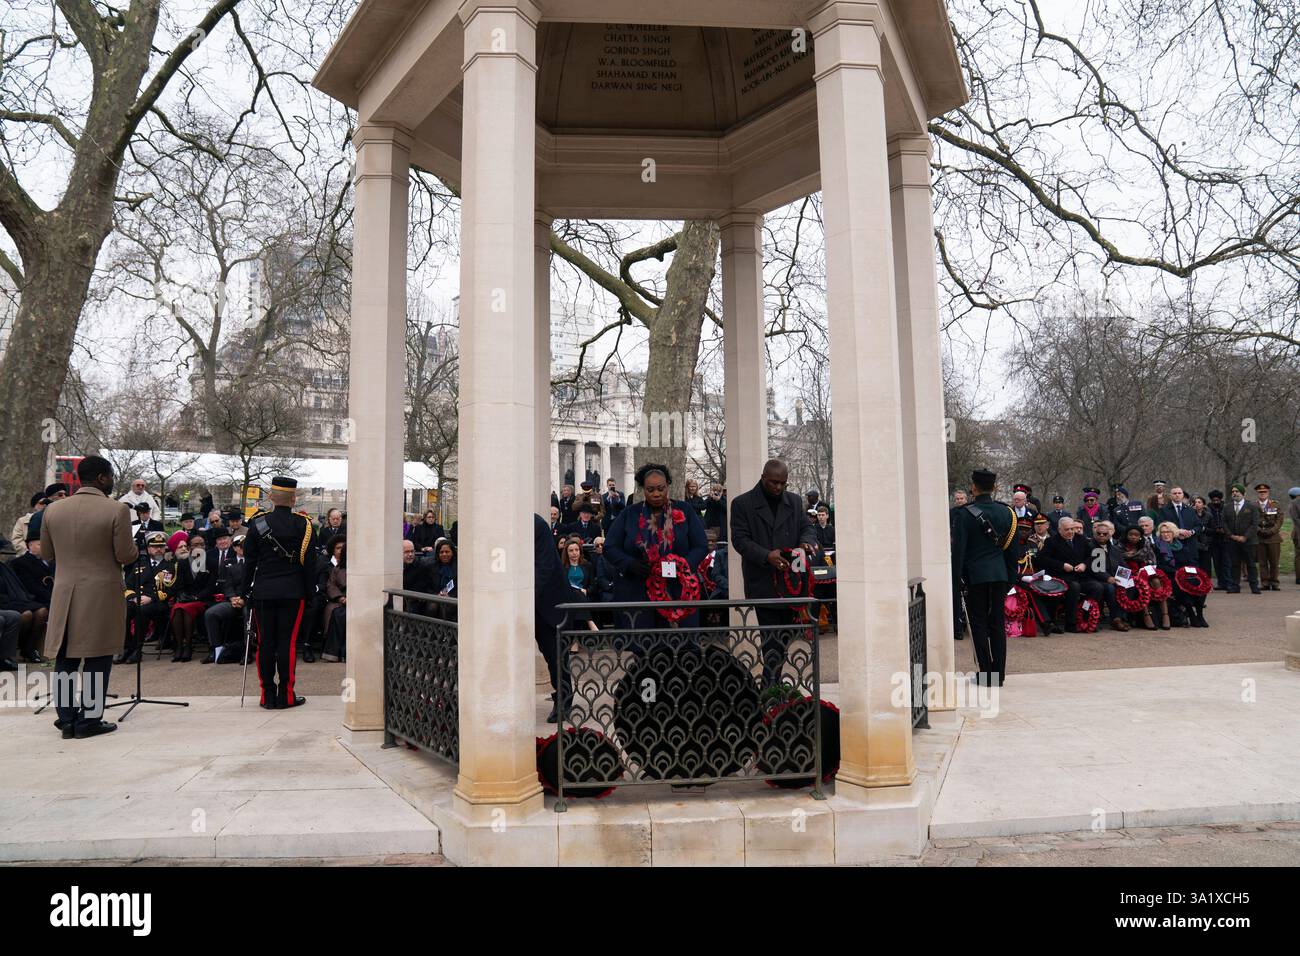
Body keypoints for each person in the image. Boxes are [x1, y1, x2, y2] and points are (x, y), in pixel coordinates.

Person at [40, 455, 139, 739]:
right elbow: (124, 554)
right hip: (101, 591)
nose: (111, 480)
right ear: (101, 478)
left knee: (65, 657)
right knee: (98, 655)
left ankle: (67, 719)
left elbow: (47, 554)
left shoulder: (54, 510)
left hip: (64, 589)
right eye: (110, 475)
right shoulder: (116, 509)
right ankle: (89, 720)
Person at [729, 459, 818, 687]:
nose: (778, 488)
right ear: (763, 477)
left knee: (784, 641)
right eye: (774, 483)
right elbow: (740, 540)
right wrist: (766, 555)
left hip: (791, 584)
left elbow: (806, 527)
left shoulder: (794, 501)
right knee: (772, 643)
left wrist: (806, 542)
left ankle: (772, 689)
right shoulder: (742, 503)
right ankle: (769, 690)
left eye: (783, 484)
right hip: (763, 584)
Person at [604, 462, 709, 636]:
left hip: (679, 589)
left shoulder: (685, 510)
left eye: (660, 488)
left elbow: (701, 546)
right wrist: (630, 564)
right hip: (639, 591)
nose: (656, 494)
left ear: (667, 485)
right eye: (650, 489)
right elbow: (610, 547)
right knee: (645, 648)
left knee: (682, 650)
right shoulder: (629, 514)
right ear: (643, 490)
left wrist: (683, 565)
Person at [242, 476, 317, 708]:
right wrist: (309, 594)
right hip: (293, 593)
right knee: (287, 644)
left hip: (263, 592)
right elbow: (309, 564)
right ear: (293, 499)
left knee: (266, 644)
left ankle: (267, 696)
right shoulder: (304, 525)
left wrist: (246, 592)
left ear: (272, 497)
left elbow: (249, 563)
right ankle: (286, 695)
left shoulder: (257, 523)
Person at [950, 469, 1015, 685]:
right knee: (997, 623)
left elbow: (959, 551)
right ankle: (999, 674)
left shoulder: (963, 513)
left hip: (974, 576)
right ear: (995, 488)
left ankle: (987, 673)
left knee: (978, 624)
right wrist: (1010, 579)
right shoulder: (1007, 512)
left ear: (973, 488)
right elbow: (1012, 551)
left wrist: (956, 579)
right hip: (999, 574)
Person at [535, 513, 573, 723]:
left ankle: (564, 702)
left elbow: (544, 567)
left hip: (548, 602)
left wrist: (523, 597)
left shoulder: (537, 525)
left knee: (555, 655)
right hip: (524, 600)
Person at [1039, 517, 1106, 634]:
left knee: (1097, 587)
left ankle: (1085, 616)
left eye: (1072, 529)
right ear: (1059, 530)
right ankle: (1071, 623)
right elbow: (1042, 559)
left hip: (1081, 575)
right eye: (1067, 530)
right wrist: (1062, 565)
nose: (1070, 532)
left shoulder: (1082, 539)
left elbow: (1093, 556)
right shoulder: (1052, 541)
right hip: (1061, 576)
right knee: (1074, 588)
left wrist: (1084, 564)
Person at [118, 532, 174, 663]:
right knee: (123, 609)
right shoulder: (139, 565)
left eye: (161, 546)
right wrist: (133, 597)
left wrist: (151, 598)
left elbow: (169, 589)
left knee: (142, 611)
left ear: (165, 548)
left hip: (158, 602)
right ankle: (127, 647)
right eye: (155, 546)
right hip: (137, 600)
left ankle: (138, 650)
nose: (158, 549)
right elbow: (128, 584)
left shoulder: (170, 567)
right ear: (148, 549)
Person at [167, 533, 217, 662]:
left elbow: (211, 587)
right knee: (177, 608)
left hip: (203, 599)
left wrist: (196, 597)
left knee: (186, 609)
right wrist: (183, 595)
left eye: (201, 544)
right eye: (195, 545)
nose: (199, 547)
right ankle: (179, 646)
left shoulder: (211, 563)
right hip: (186, 598)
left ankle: (188, 646)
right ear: (189, 548)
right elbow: (179, 585)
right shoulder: (183, 564)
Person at [202, 536, 248, 664]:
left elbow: (256, 584)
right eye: (239, 545)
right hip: (233, 600)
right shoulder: (229, 563)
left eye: (245, 545)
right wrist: (232, 597)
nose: (242, 548)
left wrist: (244, 599)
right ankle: (216, 649)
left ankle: (247, 651)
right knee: (211, 613)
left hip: (249, 600)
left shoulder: (256, 561)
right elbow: (226, 585)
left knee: (248, 614)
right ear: (234, 547)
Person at [11, 532, 53, 662]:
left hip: (44, 600)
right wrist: (52, 598)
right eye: (40, 544)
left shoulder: (51, 562)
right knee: (34, 613)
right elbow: (30, 586)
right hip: (28, 598)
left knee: (42, 612)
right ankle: (27, 647)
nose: (44, 547)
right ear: (30, 545)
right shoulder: (21, 562)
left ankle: (31, 648)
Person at [1087, 521, 1130, 632]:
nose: (1101, 536)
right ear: (1095, 534)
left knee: (1130, 585)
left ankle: (1123, 617)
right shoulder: (1090, 547)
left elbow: (1123, 566)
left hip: (1115, 578)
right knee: (1110, 588)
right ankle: (1115, 618)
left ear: (1110, 534)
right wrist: (1108, 578)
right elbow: (1094, 569)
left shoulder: (1115, 549)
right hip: (1097, 579)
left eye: (1104, 534)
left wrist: (1124, 578)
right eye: (1099, 533)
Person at [1222, 483, 1261, 594]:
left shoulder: (1252, 507)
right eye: (1233, 491)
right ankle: (1235, 586)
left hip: (1248, 541)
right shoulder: (1227, 507)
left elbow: (1254, 524)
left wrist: (1245, 536)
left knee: (1251, 564)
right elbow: (1224, 523)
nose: (1234, 493)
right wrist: (1231, 535)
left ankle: (1254, 586)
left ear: (1243, 493)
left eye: (1237, 491)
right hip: (1232, 541)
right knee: (1234, 564)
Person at [1120, 525, 1158, 630]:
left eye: (1136, 535)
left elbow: (1151, 562)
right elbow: (1118, 564)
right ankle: (1143, 615)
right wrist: (1133, 575)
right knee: (1134, 585)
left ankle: (1164, 615)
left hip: (1143, 573)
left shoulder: (1145, 547)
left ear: (1140, 536)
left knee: (1155, 582)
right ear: (1126, 535)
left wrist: (1143, 572)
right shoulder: (1119, 546)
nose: (1133, 537)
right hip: (1125, 574)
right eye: (1131, 535)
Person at [1158, 486, 1202, 569]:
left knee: (1191, 573)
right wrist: (1178, 532)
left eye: (1179, 493)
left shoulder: (1190, 510)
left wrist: (1191, 532)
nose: (1177, 495)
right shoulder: (1164, 510)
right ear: (1171, 496)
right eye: (1174, 493)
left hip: (1190, 546)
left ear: (1182, 495)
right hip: (1173, 548)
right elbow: (1161, 526)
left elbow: (1199, 526)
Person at [321, 537, 348, 662]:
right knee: (337, 614)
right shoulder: (337, 569)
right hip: (339, 601)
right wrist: (341, 598)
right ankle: (334, 653)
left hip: (356, 601)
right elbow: (330, 585)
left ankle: (345, 652)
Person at [1254, 483, 1283, 591]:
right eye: (1260, 492)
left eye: (1264, 492)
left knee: (1274, 562)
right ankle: (1265, 583)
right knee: (1262, 562)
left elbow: (1279, 521)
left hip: (1273, 538)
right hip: (1259, 537)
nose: (1262, 494)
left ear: (1268, 493)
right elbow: (1251, 521)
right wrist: (1259, 530)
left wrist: (1272, 531)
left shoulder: (1275, 505)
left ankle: (1274, 582)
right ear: (1257, 493)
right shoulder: (1254, 506)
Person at [1202, 490, 1231, 589]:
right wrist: (1215, 529)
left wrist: (1225, 529)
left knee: (1226, 561)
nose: (1215, 502)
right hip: (1213, 539)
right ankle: (1221, 582)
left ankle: (1228, 582)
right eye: (1213, 500)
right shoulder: (1208, 509)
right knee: (1217, 562)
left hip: (1225, 538)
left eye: (1217, 500)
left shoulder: (1226, 508)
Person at [1290, 488, 1300, 586]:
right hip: (1298, 533)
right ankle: (1298, 577)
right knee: (1299, 555)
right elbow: (1295, 519)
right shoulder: (1295, 503)